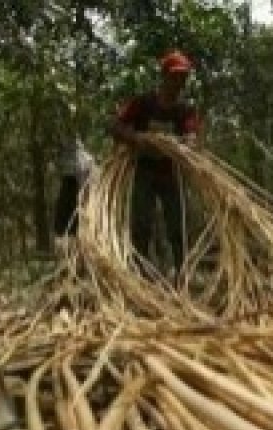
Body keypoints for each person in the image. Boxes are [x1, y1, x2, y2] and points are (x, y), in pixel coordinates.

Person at [111, 50, 202, 274]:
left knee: (178, 227)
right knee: (141, 224)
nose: (179, 82)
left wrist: (186, 144)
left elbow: (191, 137)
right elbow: (115, 126)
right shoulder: (143, 103)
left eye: (183, 77)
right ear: (164, 76)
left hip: (171, 174)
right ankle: (139, 275)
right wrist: (136, 138)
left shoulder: (184, 110)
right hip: (145, 171)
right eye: (175, 76)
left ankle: (183, 276)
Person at [54, 136, 94, 238]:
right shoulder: (82, 159)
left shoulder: (83, 159)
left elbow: (85, 179)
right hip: (73, 192)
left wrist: (84, 196)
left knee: (72, 227)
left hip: (77, 193)